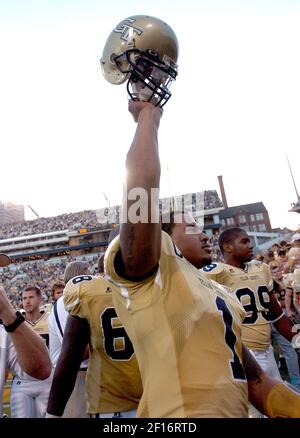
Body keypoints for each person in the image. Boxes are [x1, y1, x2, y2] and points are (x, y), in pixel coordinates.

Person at [104, 98, 300, 417]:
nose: (205, 232)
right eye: (192, 226)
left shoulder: (216, 290)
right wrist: (148, 120)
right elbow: (139, 196)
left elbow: (257, 381)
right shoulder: (156, 276)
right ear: (164, 238)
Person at [46, 254, 142, 418]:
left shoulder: (91, 294)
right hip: (84, 377)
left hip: (109, 383)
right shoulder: (75, 298)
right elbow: (73, 354)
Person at [201, 227, 297, 381]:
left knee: (278, 400)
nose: (251, 245)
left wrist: (296, 339)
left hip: (267, 350)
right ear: (227, 247)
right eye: (244, 241)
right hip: (243, 354)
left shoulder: (261, 268)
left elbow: (276, 315)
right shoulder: (216, 272)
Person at [0, 283, 51, 418]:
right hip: (22, 379)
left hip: (47, 375)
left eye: (31, 297)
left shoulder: (50, 316)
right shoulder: (13, 319)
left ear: (41, 300)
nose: (27, 301)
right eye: (24, 298)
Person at [48, 262, 91, 418]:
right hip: (73, 375)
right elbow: (74, 353)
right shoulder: (64, 301)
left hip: (87, 372)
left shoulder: (84, 298)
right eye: (90, 273)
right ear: (81, 277)